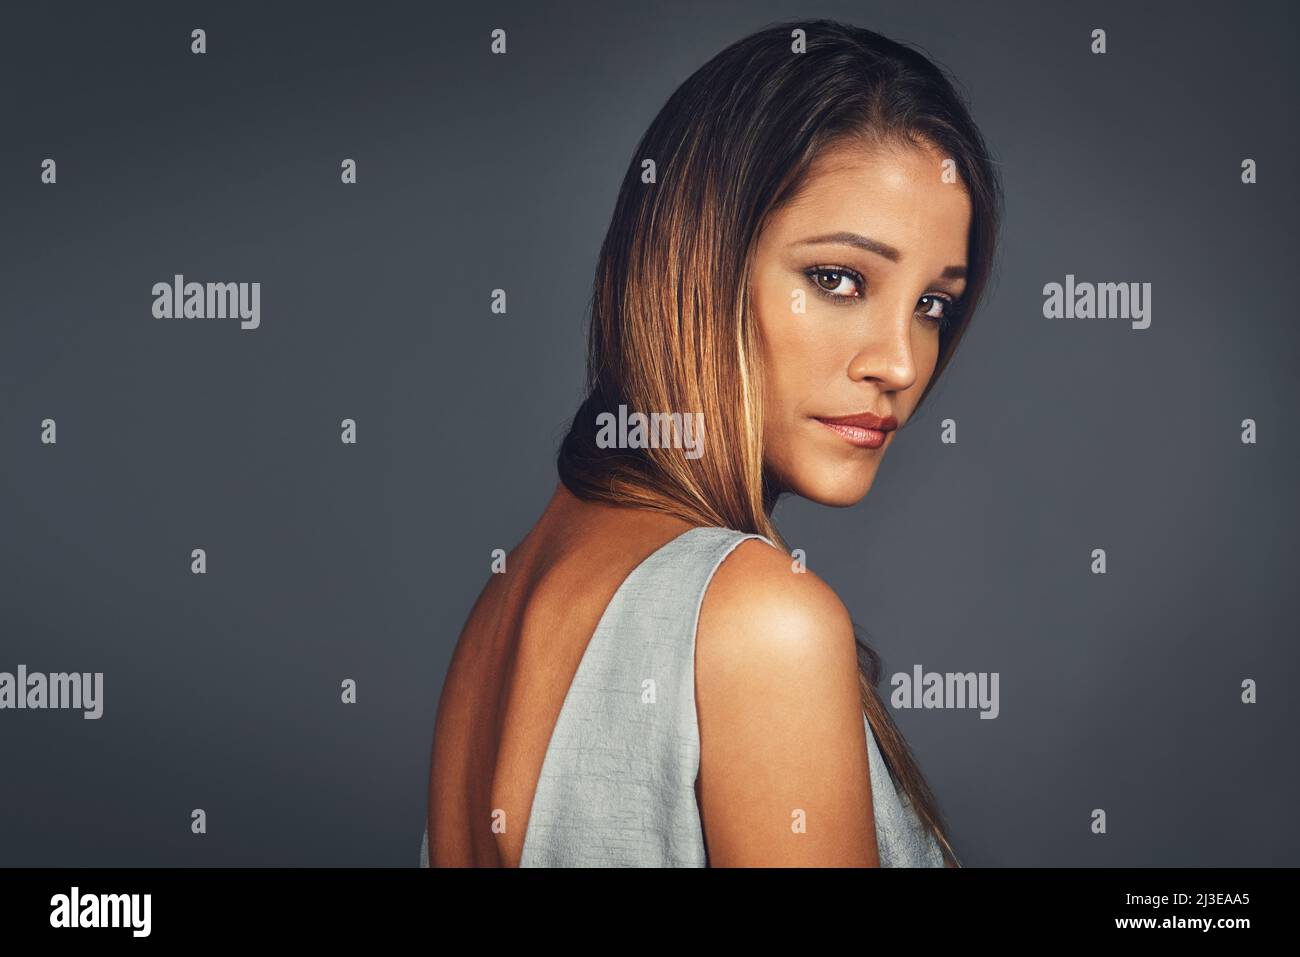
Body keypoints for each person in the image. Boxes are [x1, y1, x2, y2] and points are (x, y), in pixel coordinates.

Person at [422, 17, 1002, 867]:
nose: (901, 362)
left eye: (933, 303)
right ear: (700, 260)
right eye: (838, 279)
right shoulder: (763, 619)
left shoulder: (505, 610)